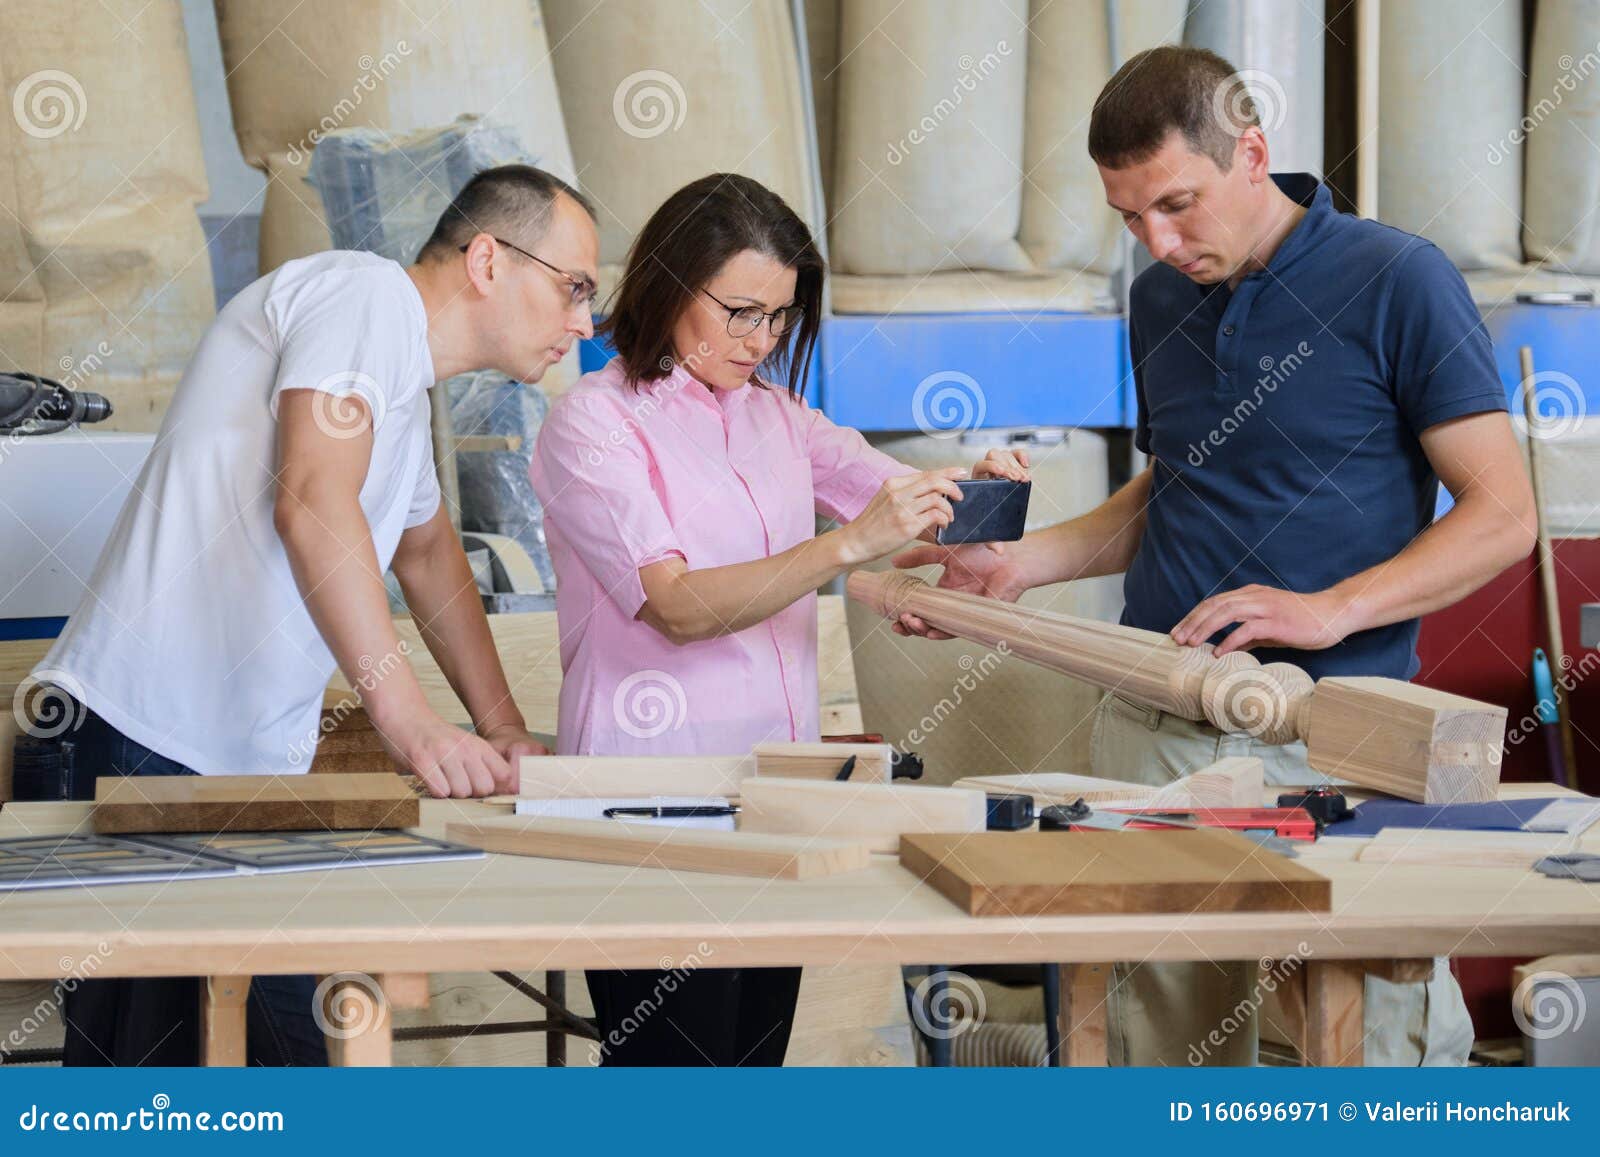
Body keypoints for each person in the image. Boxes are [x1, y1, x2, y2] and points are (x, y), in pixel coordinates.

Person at [895, 47, 1535, 1066]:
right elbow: (1172, 492)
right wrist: (1024, 563)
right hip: (1152, 730)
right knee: (1167, 1055)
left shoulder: (1394, 278)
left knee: (1376, 1053)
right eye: (1128, 217)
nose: (1156, 241)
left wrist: (1327, 607)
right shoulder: (1158, 301)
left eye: (1177, 204)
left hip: (1333, 738)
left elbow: (1504, 513)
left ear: (1251, 152)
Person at [30, 163, 599, 1065]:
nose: (584, 322)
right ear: (487, 259)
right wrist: (412, 723)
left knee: (295, 1068)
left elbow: (428, 554)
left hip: (242, 773)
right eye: (574, 287)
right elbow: (310, 497)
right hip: (143, 739)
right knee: (145, 1106)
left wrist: (500, 726)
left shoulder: (400, 393)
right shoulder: (364, 296)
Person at [531, 172, 1025, 1065]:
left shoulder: (781, 420)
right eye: (741, 312)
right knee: (676, 1087)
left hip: (777, 804)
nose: (762, 339)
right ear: (671, 284)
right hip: (651, 809)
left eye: (781, 317)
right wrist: (846, 546)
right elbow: (675, 605)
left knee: (752, 1078)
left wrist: (980, 486)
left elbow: (907, 499)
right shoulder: (592, 424)